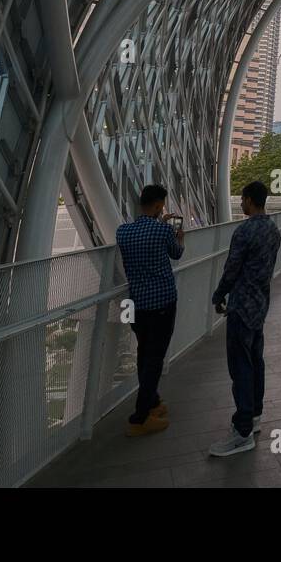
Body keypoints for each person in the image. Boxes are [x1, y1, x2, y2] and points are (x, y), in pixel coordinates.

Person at [208, 180, 280, 457]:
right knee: (255, 361)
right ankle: (254, 416)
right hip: (260, 306)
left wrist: (218, 295)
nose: (240, 203)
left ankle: (242, 432)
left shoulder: (244, 230)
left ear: (250, 200)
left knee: (240, 367)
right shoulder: (273, 229)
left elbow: (232, 269)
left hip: (241, 306)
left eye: (242, 199)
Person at [116, 183, 184, 437]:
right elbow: (176, 254)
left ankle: (153, 402)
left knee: (144, 353)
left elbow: (144, 243)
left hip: (137, 305)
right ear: (158, 206)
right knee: (154, 359)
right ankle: (140, 417)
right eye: (162, 205)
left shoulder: (123, 232)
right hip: (162, 304)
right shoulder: (163, 231)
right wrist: (178, 236)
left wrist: (160, 224)